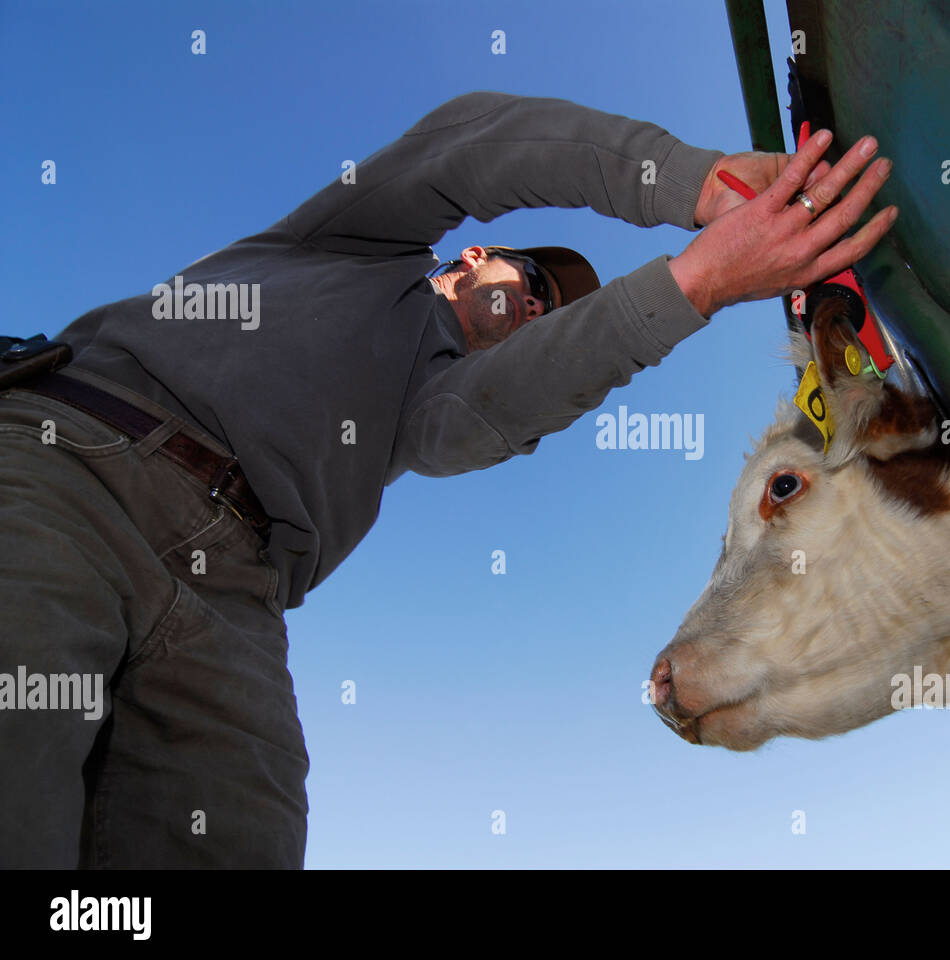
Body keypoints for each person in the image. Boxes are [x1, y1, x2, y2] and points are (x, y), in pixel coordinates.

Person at [0, 91, 895, 867]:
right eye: (535, 282)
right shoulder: (351, 244)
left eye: (551, 314)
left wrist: (696, 284)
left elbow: (514, 398)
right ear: (470, 259)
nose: (540, 310)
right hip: (74, 458)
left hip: (235, 596)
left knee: (240, 830)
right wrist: (694, 183)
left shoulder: (426, 416)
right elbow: (467, 148)